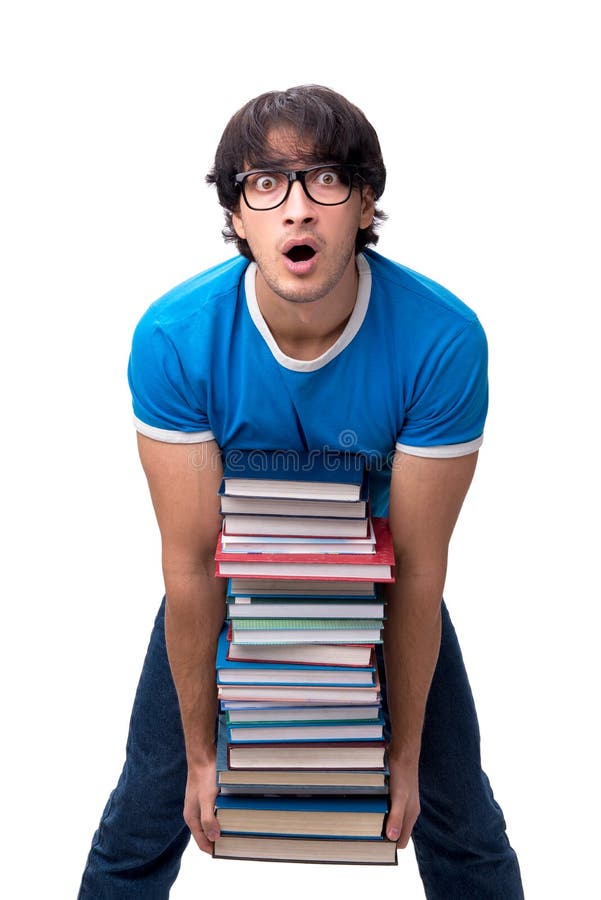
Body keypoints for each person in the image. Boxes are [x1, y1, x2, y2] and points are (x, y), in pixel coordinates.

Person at [78, 85, 524, 899]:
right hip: (229, 580)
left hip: (380, 585)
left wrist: (404, 753)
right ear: (236, 214)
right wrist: (205, 752)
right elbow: (188, 563)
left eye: (325, 180)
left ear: (364, 202)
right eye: (265, 184)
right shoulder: (175, 338)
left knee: (460, 818)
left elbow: (420, 570)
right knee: (143, 812)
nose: (296, 209)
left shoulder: (441, 340)